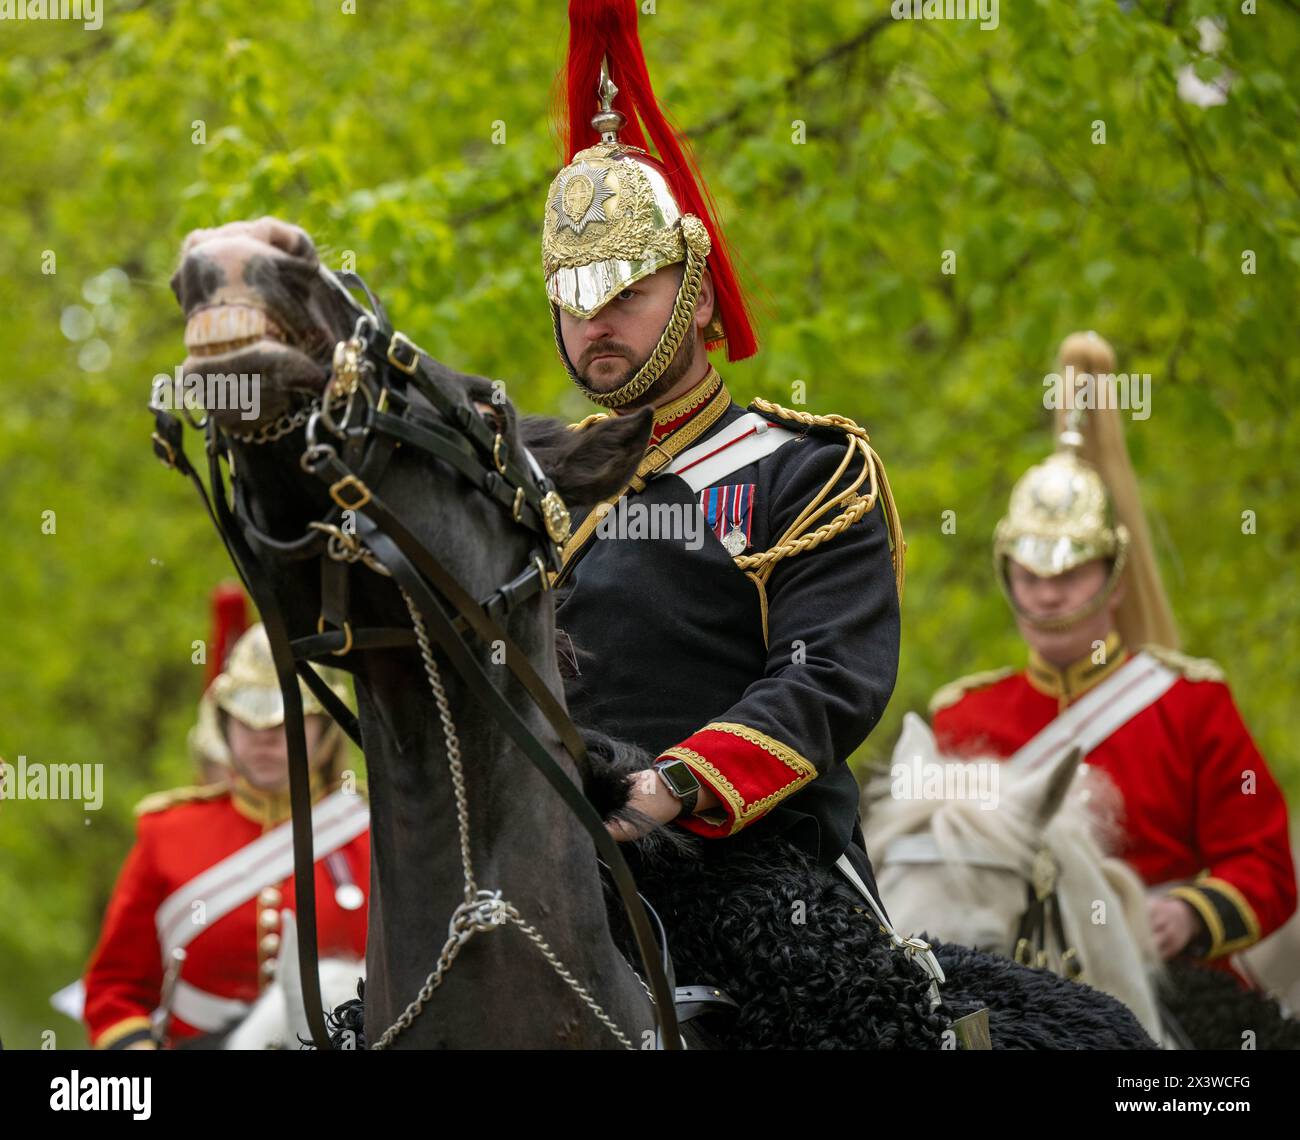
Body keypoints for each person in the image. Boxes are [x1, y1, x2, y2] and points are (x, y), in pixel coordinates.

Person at [541, 3, 906, 936]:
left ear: (694, 292)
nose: (598, 320)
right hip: (557, 875)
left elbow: (828, 679)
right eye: (576, 296)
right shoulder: (539, 486)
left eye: (627, 289)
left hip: (760, 871)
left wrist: (671, 785)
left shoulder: (807, 473)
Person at [930, 332, 1296, 976]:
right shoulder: (963, 717)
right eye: (1031, 576)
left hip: (1167, 973)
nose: (1047, 595)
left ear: (1115, 578)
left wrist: (1190, 914)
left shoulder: (1190, 704)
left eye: (1070, 574)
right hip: (1016, 982)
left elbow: (1266, 866)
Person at [82, 624, 370, 1048]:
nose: (264, 738)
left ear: (325, 729)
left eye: (286, 718)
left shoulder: (372, 834)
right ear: (224, 723)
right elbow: (114, 991)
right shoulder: (168, 833)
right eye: (246, 720)